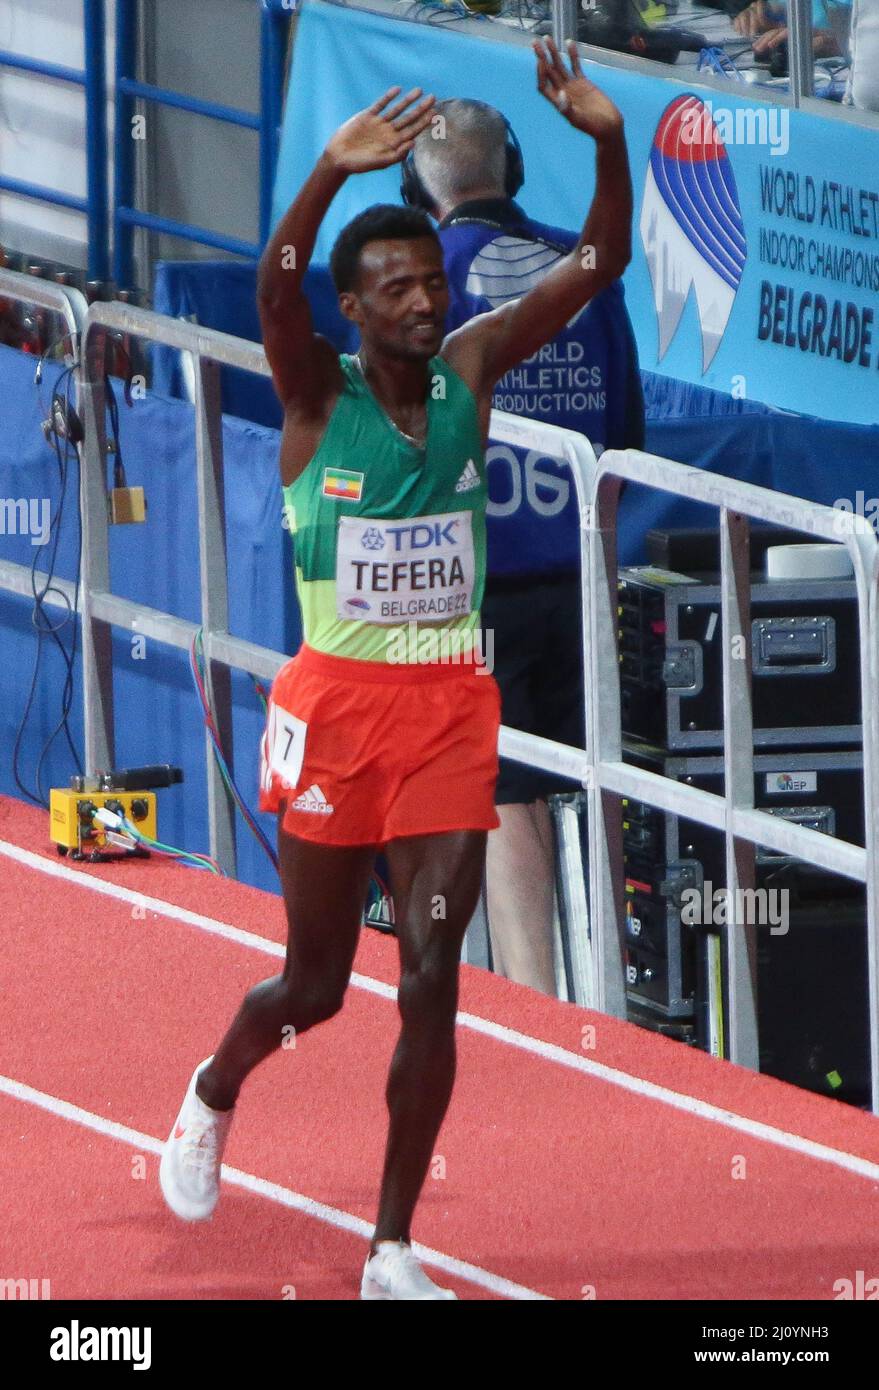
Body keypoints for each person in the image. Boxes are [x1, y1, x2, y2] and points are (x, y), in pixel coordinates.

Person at [159, 38, 632, 1300]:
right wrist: (320, 175)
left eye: (433, 281)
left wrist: (604, 139)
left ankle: (390, 1247)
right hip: (337, 709)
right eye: (402, 290)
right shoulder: (314, 399)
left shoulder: (473, 371)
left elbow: (598, 265)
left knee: (430, 977)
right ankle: (214, 1088)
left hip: (444, 715)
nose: (429, 302)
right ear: (354, 309)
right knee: (316, 984)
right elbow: (272, 288)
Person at [402, 98, 644, 994]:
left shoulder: (421, 284)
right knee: (603, 782)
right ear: (512, 168)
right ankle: (622, 991)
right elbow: (621, 448)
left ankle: (540, 1010)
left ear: (414, 188)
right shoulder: (579, 275)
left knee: (504, 794)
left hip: (481, 591)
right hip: (583, 579)